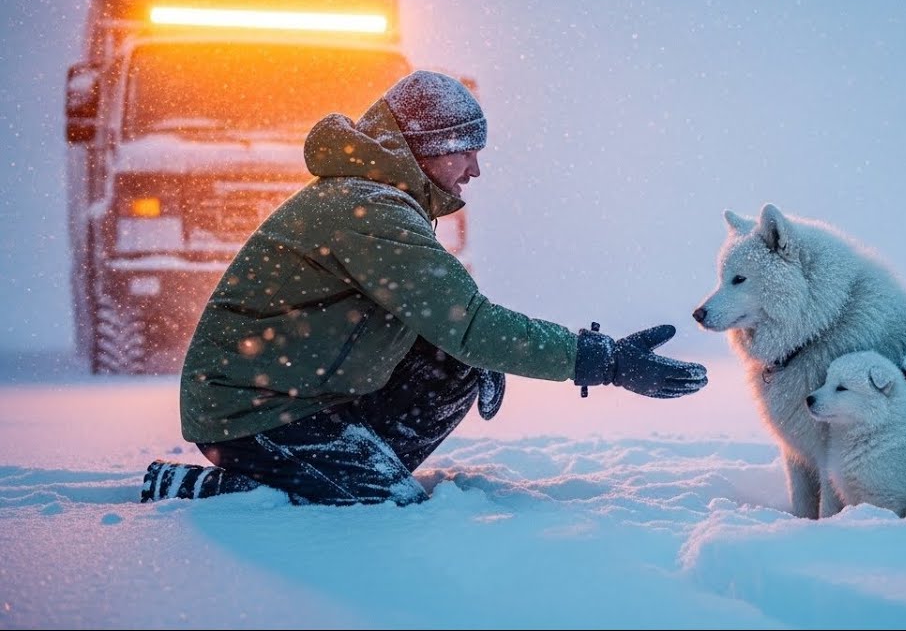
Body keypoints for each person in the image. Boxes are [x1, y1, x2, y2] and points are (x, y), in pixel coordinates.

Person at [140, 70, 708, 506]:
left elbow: (452, 326)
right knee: (388, 504)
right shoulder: (368, 210)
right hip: (252, 415)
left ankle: (350, 468)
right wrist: (599, 360)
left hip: (304, 398)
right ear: (427, 146)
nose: (475, 170)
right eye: (467, 150)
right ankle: (216, 491)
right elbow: (471, 323)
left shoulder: (381, 202)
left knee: (458, 362)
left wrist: (475, 352)